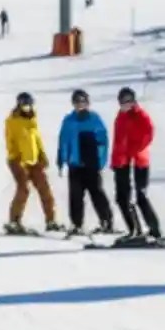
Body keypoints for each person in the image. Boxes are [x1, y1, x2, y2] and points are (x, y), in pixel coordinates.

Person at [56, 89, 114, 235]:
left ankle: (106, 221)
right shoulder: (69, 121)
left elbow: (103, 141)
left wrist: (100, 161)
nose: (79, 105)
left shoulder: (94, 119)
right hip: (75, 163)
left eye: (82, 102)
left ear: (87, 103)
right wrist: (61, 158)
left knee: (97, 193)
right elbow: (63, 141)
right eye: (76, 102)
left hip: (91, 164)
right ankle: (76, 224)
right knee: (75, 195)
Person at [5, 92, 63, 234]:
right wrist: (16, 158)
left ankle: (51, 220)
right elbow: (9, 141)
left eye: (29, 104)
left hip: (34, 160)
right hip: (18, 161)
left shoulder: (33, 119)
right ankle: (14, 221)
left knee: (45, 189)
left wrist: (42, 155)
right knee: (23, 189)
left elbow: (37, 140)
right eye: (24, 105)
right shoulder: (12, 120)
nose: (27, 107)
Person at [111, 87, 160, 242]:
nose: (126, 105)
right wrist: (116, 160)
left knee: (140, 196)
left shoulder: (141, 115)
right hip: (122, 161)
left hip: (139, 160)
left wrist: (135, 149)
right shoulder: (120, 117)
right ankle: (134, 229)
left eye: (128, 101)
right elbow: (117, 141)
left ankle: (154, 229)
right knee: (122, 197)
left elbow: (149, 134)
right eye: (123, 102)